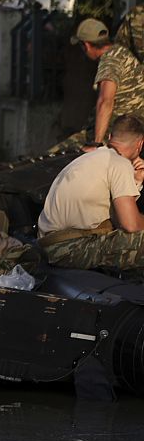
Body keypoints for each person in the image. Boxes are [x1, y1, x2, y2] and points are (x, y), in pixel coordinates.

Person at [38, 114, 144, 274]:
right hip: (68, 248)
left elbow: (115, 215)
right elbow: (130, 225)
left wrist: (136, 180)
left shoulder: (91, 157)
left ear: (110, 137)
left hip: (50, 244)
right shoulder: (119, 164)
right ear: (140, 144)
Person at [75, 19, 144, 151]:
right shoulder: (121, 51)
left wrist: (97, 144)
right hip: (134, 129)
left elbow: (106, 101)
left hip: (121, 133)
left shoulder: (109, 61)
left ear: (86, 45)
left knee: (56, 156)